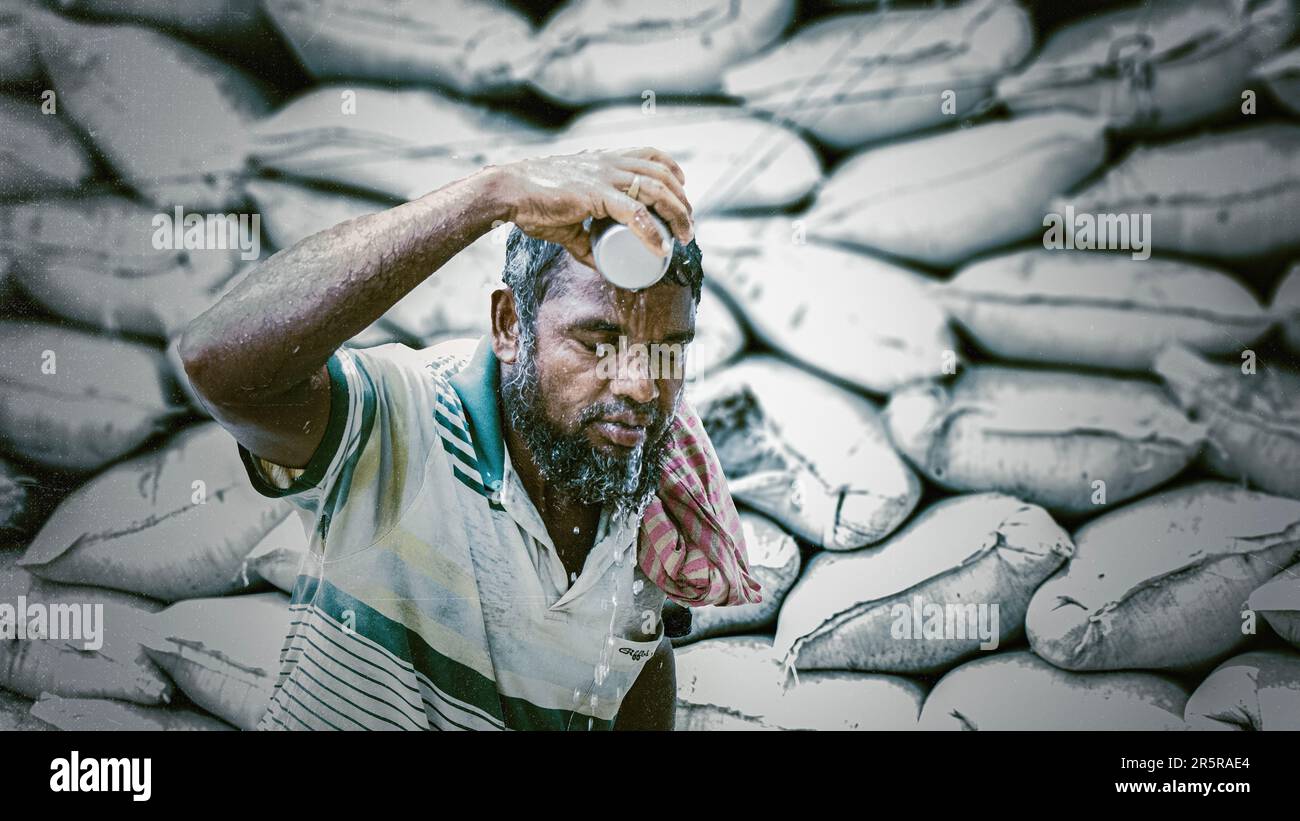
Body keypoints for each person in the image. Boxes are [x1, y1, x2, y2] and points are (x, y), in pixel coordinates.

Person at [180, 147, 758, 731]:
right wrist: (496, 194)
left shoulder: (657, 520)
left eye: (668, 350)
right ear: (510, 325)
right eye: (598, 341)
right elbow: (217, 364)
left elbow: (630, 667)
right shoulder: (404, 418)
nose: (640, 384)